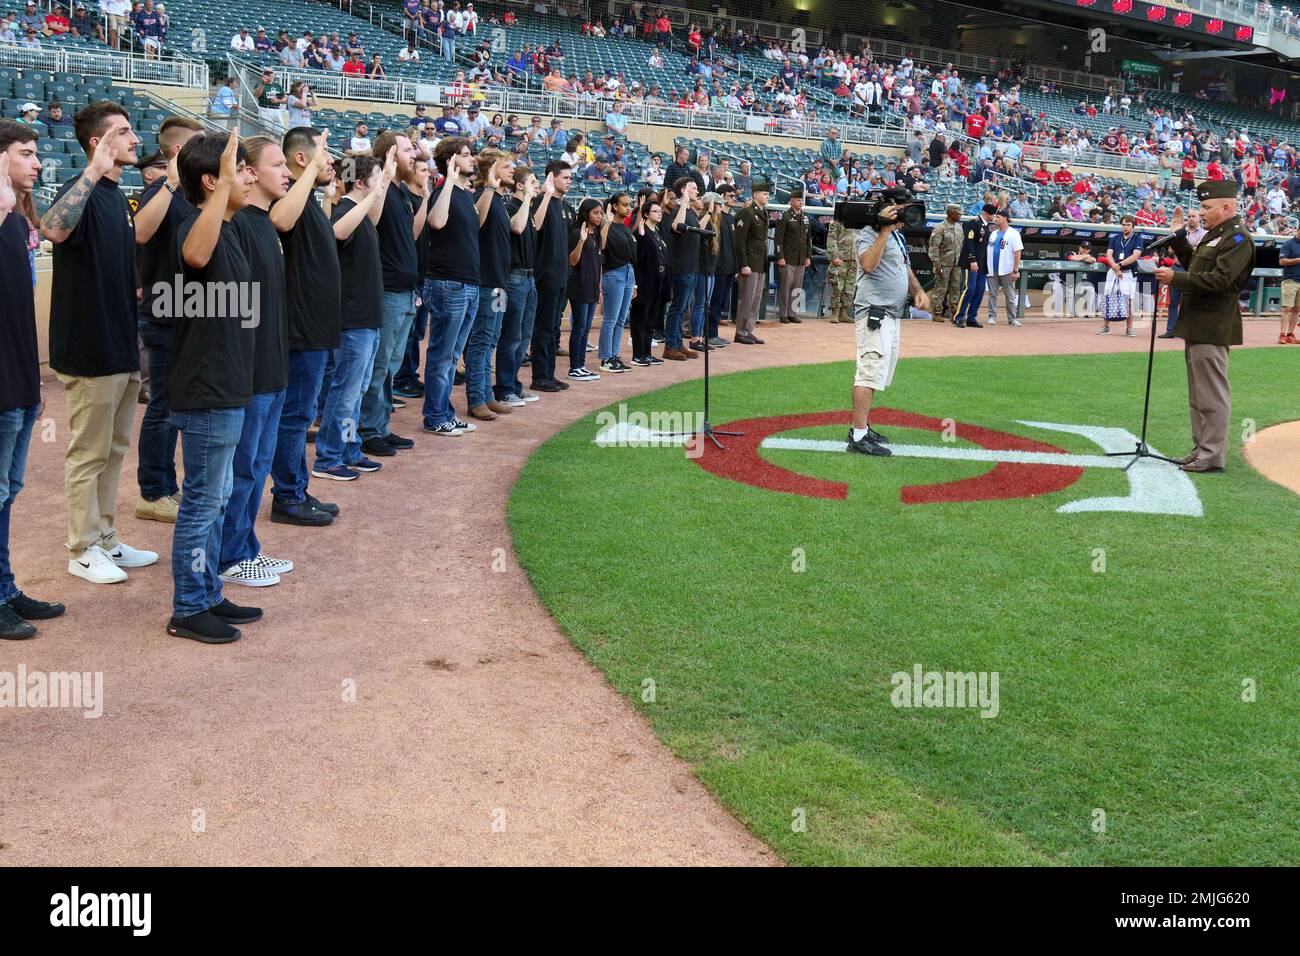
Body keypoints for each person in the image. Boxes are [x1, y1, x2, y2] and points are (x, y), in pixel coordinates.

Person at [41, 102, 158, 585]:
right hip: (89, 348)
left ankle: (107, 538)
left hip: (120, 344)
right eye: (124, 132)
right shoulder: (82, 189)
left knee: (113, 449)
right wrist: (91, 170)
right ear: (97, 142)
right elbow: (53, 228)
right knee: (88, 453)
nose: (135, 139)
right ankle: (82, 548)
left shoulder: (118, 198)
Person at [164, 131, 259, 642]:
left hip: (229, 385)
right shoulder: (192, 223)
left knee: (217, 497)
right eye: (239, 169)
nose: (249, 177)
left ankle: (209, 593)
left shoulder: (232, 227)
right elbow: (196, 258)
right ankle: (187, 607)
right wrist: (225, 181)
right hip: (205, 390)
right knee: (202, 501)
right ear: (212, 180)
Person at [0, 120, 65, 638]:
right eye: (25, 154)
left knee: (7, 492)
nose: (37, 163)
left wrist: (34, 383)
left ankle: (4, 587)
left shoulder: (19, 222)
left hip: (19, 379)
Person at [1153, 181, 1256, 474]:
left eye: (1207, 207)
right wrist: (1177, 238)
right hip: (1198, 322)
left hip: (1213, 324)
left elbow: (1219, 280)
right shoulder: (1216, 236)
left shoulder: (1237, 239)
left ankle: (1212, 455)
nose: (1202, 212)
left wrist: (1176, 279)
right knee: (1198, 395)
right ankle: (1201, 448)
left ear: (1227, 207)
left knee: (1211, 394)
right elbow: (1197, 266)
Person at [269, 126, 343, 526]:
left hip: (317, 327)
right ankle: (288, 496)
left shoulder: (311, 199)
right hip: (301, 327)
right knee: (295, 416)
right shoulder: (287, 196)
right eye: (324, 154)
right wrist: (315, 170)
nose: (331, 161)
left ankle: (296, 487)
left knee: (299, 413)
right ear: (303, 159)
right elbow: (280, 221)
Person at [132, 115, 203, 525]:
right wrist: (172, 183)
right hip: (163, 316)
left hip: (188, 313)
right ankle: (153, 491)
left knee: (176, 406)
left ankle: (166, 487)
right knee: (164, 407)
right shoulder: (161, 189)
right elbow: (140, 233)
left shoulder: (188, 194)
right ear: (177, 151)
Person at [314, 153, 395, 482]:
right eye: (374, 177)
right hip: (352, 320)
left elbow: (372, 215)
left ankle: (349, 448)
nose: (378, 184)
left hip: (367, 318)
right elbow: (337, 231)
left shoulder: (362, 213)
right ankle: (328, 457)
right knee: (345, 390)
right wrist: (373, 191)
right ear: (360, 183)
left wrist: (385, 178)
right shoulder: (344, 210)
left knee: (357, 390)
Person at [360, 131, 426, 456]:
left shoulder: (402, 193)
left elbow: (411, 236)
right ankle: (369, 431)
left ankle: (381, 426)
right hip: (386, 291)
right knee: (379, 365)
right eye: (407, 149)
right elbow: (371, 220)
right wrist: (384, 176)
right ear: (389, 154)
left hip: (405, 291)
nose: (413, 154)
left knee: (390, 365)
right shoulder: (381, 188)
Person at [849, 199, 930, 457]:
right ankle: (858, 436)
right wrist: (883, 229)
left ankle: (863, 427)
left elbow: (902, 267)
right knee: (868, 371)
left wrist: (917, 290)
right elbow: (868, 265)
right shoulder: (868, 233)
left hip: (892, 313)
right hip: (874, 311)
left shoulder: (896, 236)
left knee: (880, 373)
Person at [420, 137, 483, 434]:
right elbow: (436, 222)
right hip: (448, 283)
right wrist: (447, 178)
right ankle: (434, 416)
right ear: (451, 159)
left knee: (452, 357)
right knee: (442, 354)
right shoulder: (443, 190)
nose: (473, 159)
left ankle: (444, 411)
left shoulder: (465, 195)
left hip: (468, 284)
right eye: (467, 155)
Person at [462, 148, 517, 420]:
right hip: (485, 282)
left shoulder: (498, 199)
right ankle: (475, 399)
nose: (512, 171)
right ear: (493, 168)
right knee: (481, 341)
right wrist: (489, 188)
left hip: (499, 282)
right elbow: (476, 222)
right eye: (506, 166)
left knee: (491, 339)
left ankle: (486, 395)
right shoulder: (483, 196)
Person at [492, 165, 541, 406]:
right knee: (510, 336)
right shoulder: (511, 206)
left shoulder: (527, 209)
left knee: (524, 336)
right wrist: (528, 201)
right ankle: (503, 388)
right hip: (513, 278)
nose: (537, 186)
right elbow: (517, 228)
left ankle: (514, 385)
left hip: (529, 278)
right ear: (519, 186)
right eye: (532, 182)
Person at [529, 160, 574, 392]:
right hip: (544, 277)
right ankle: (539, 377)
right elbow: (535, 226)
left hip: (560, 277)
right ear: (551, 178)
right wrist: (545, 194)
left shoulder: (562, 205)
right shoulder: (541, 201)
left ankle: (549, 373)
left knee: (553, 329)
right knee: (543, 328)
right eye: (565, 177)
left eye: (570, 177)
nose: (569, 181)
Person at [599, 191, 637, 372]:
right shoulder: (607, 225)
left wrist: (634, 281)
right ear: (614, 206)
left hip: (628, 273)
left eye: (629, 204)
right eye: (624, 204)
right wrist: (606, 221)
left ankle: (614, 355)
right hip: (613, 274)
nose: (628, 207)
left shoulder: (625, 227)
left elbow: (631, 256)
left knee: (621, 319)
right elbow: (602, 245)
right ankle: (606, 358)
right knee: (610, 320)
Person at [566, 198, 604, 380]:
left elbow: (598, 264)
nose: (599, 216)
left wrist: (599, 289)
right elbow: (572, 261)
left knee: (586, 329)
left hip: (592, 287)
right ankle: (575, 367)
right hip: (579, 286)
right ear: (586, 213)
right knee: (579, 328)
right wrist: (581, 241)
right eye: (596, 213)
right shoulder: (576, 233)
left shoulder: (597, 234)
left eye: (601, 213)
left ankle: (581, 365)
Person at [629, 196, 668, 366]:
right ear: (646, 214)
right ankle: (638, 354)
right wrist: (636, 284)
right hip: (644, 283)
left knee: (651, 320)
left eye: (660, 211)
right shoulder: (642, 232)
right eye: (655, 211)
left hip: (658, 282)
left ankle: (647, 353)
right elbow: (638, 260)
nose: (659, 213)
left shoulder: (657, 232)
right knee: (640, 319)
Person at [731, 180, 770, 344]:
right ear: (755, 195)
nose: (767, 196)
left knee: (755, 299)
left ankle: (749, 329)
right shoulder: (746, 213)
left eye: (767, 194)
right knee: (746, 298)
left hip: (760, 262)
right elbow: (740, 241)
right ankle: (740, 331)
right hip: (750, 262)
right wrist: (743, 264)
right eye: (764, 194)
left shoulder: (764, 212)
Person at [1099, 214, 1144, 337]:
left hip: (1128, 273)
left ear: (1133, 226)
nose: (1125, 227)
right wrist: (1115, 267)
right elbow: (1109, 254)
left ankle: (1129, 328)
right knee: (1108, 297)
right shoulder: (1115, 238)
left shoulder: (1137, 239)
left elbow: (1135, 256)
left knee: (1128, 301)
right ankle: (1106, 326)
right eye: (1123, 224)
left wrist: (1119, 265)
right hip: (1113, 272)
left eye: (1128, 225)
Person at [952, 202, 994, 328]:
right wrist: (972, 260)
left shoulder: (986, 226)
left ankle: (971, 317)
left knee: (979, 290)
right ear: (987, 213)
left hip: (982, 264)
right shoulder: (973, 223)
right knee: (969, 289)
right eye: (993, 214)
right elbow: (968, 243)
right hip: (971, 263)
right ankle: (958, 317)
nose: (994, 216)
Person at [774, 187, 811, 324]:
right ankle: (783, 313)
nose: (800, 202)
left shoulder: (805, 217)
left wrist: (808, 256)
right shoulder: (786, 216)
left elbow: (808, 239)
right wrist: (780, 256)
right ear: (791, 201)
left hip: (801, 257)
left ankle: (792, 313)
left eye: (802, 200)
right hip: (788, 257)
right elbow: (779, 238)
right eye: (798, 200)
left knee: (797, 286)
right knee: (786, 286)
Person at [985, 208, 1023, 327]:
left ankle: (1012, 319)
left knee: (1010, 296)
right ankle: (992, 317)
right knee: (992, 294)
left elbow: (1018, 253)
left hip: (1007, 270)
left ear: (1005, 218)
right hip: (993, 269)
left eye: (998, 217)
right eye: (995, 217)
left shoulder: (1013, 233)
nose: (996, 219)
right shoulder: (993, 233)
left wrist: (1015, 271)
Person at [927, 203, 963, 322]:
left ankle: (954, 313)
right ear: (951, 214)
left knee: (955, 289)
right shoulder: (940, 228)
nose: (960, 216)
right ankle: (937, 312)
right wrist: (936, 263)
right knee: (940, 289)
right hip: (943, 263)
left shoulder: (959, 227)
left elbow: (961, 245)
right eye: (958, 214)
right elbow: (934, 247)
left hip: (957, 264)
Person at [824, 213, 856, 324]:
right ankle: (835, 313)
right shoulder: (836, 222)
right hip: (840, 258)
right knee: (837, 285)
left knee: (849, 287)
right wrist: (834, 256)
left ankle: (844, 313)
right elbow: (831, 239)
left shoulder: (858, 222)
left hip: (854, 258)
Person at [1275, 221, 1300, 345]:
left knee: (1297, 309)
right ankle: (1282, 334)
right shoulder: (1289, 244)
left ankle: (1290, 334)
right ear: (1298, 231)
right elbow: (1282, 261)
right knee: (1286, 308)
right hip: (1290, 280)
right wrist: (1297, 260)